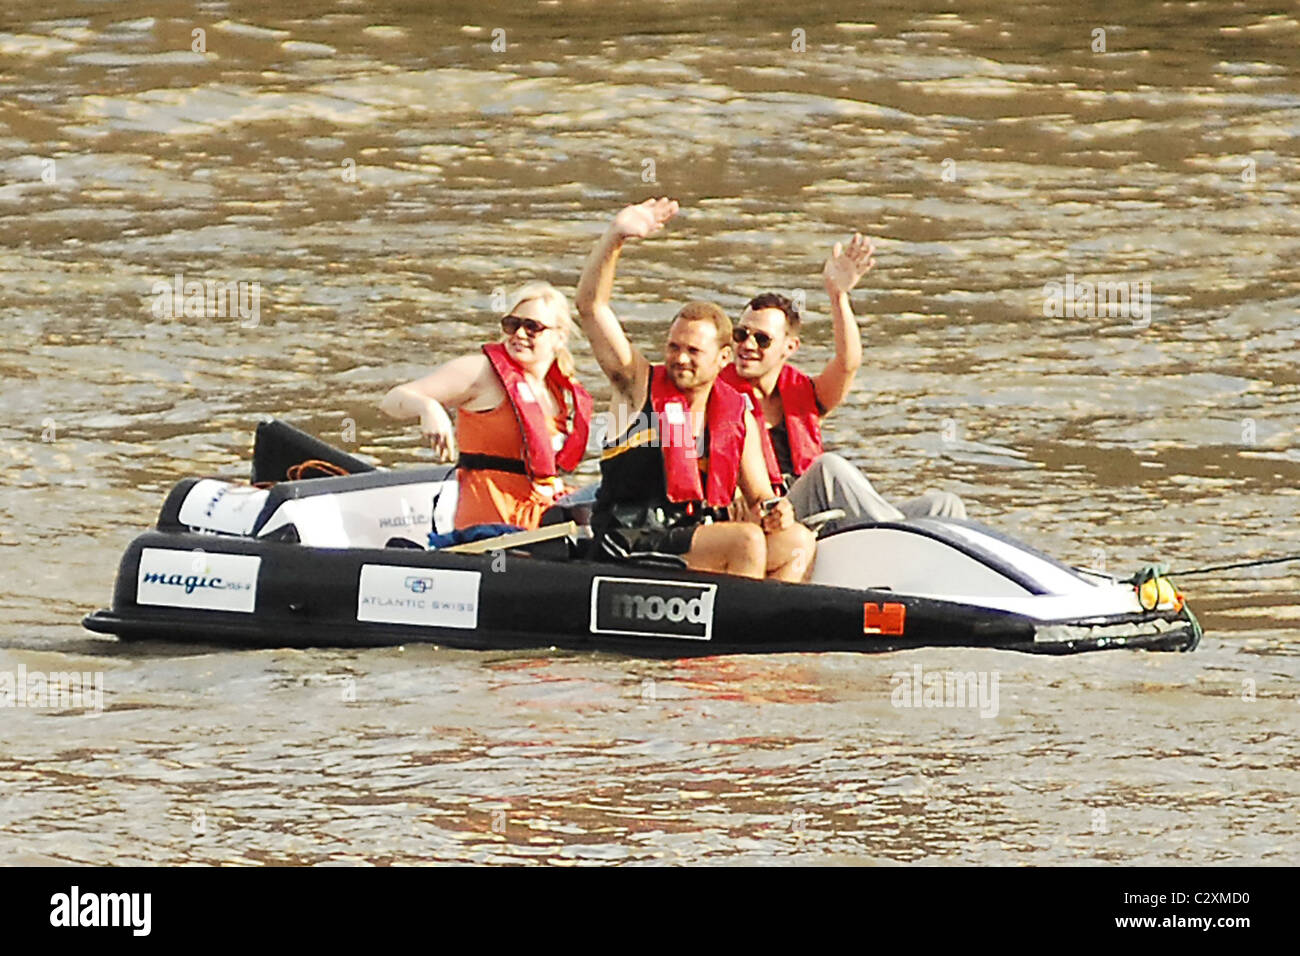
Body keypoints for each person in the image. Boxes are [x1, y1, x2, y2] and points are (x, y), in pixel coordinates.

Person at [575, 198, 815, 582]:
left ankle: (762, 633)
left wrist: (777, 510)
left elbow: (760, 499)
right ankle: (736, 631)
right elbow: (590, 307)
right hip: (629, 537)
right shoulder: (637, 386)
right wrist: (615, 238)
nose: (679, 359)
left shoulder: (736, 413)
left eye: (692, 351)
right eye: (673, 347)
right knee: (745, 542)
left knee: (797, 541)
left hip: (696, 538)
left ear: (723, 358)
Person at [720, 236, 967, 524]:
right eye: (741, 334)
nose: (747, 345)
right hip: (772, 517)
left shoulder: (807, 395)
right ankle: (893, 537)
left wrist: (838, 297)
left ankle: (922, 549)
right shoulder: (716, 395)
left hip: (817, 512)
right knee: (829, 469)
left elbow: (847, 364)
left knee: (944, 506)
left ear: (789, 348)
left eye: (761, 339)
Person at [379, 281, 593, 530]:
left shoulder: (559, 392)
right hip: (492, 531)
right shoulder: (481, 373)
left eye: (532, 327)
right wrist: (427, 407)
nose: (519, 334)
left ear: (560, 337)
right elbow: (392, 400)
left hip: (541, 522)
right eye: (512, 325)